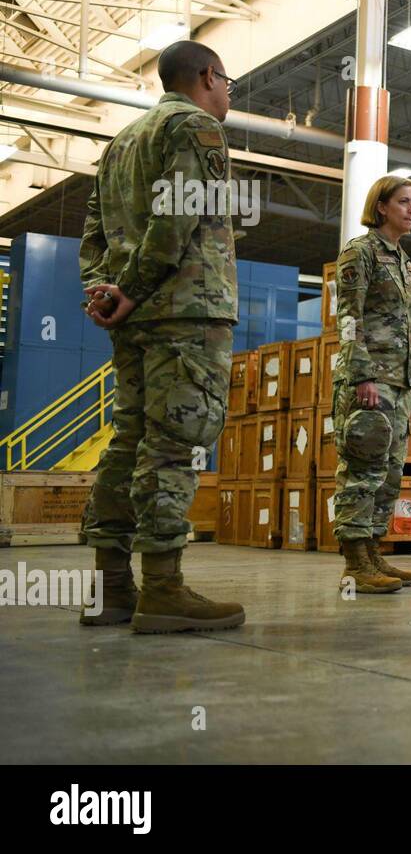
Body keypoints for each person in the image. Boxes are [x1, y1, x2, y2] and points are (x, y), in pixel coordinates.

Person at [78, 39, 244, 632]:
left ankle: (112, 587)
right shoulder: (197, 128)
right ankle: (165, 590)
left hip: (135, 319)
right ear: (207, 75)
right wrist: (139, 285)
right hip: (185, 312)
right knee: (176, 444)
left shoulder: (121, 142)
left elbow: (94, 230)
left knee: (129, 441)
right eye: (228, 83)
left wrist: (108, 292)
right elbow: (176, 223)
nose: (228, 94)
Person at [330, 174, 411, 594]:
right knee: (362, 471)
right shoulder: (360, 252)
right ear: (381, 206)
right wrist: (362, 375)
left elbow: (410, 329)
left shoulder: (405, 263)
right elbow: (349, 319)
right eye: (404, 201)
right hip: (369, 381)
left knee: (389, 474)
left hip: (398, 385)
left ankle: (373, 553)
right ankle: (354, 564)